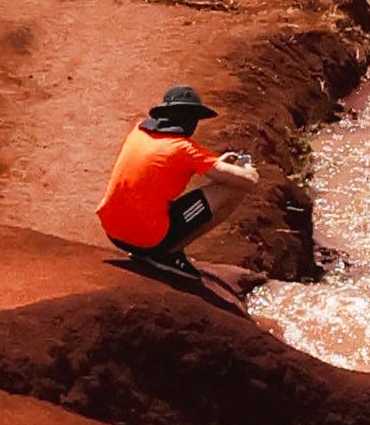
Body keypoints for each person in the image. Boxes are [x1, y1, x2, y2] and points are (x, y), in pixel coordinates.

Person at [97, 85, 254, 286]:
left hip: (113, 232)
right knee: (234, 189)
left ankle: (154, 247)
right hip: (147, 240)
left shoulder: (139, 130)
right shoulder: (184, 149)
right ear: (190, 121)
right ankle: (166, 253)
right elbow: (249, 181)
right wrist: (247, 166)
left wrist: (217, 165)